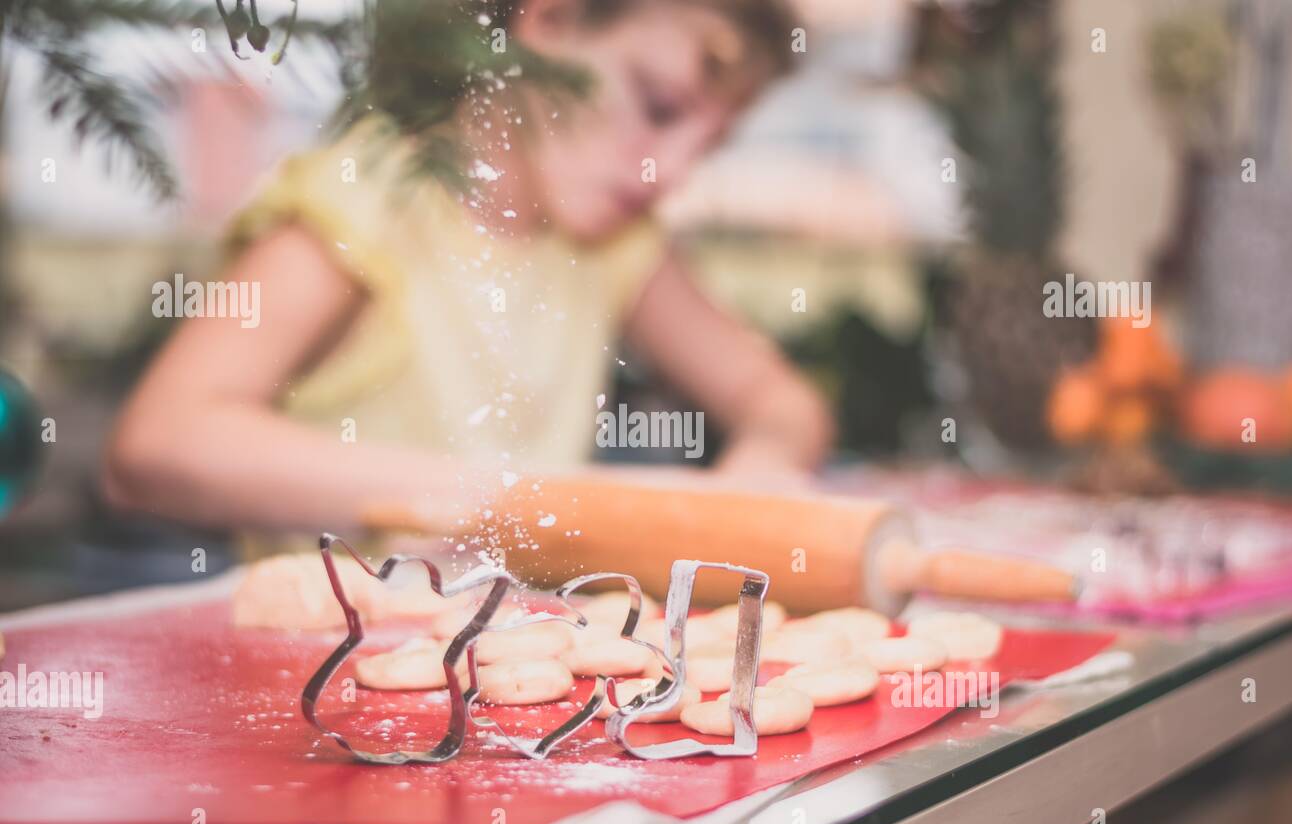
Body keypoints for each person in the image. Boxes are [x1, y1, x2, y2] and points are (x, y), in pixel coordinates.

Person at [102, 0, 833, 547]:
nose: (670, 173)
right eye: (659, 105)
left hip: (523, 685)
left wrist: (759, 471)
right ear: (548, 24)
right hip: (328, 688)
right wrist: (497, 501)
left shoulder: (616, 242)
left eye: (709, 146)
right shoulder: (368, 199)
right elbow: (158, 442)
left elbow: (782, 401)